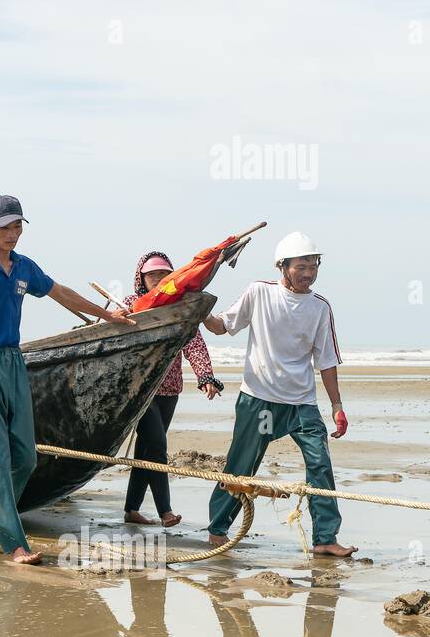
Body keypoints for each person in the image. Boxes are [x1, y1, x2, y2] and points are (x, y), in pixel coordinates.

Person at [0, 195, 135, 564]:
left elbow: (61, 293)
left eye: (18, 225)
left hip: (11, 360)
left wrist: (107, 315)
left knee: (24, 457)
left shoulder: (24, 268)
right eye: (5, 227)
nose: (13, 233)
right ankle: (16, 545)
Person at [202, 231, 355, 557]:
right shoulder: (258, 293)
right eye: (302, 266)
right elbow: (221, 326)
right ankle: (217, 529)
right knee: (242, 466)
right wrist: (198, 308)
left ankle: (325, 538)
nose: (309, 273)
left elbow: (326, 361)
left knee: (320, 466)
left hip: (301, 404)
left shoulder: (319, 308)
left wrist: (337, 406)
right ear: (282, 266)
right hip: (259, 399)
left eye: (314, 266)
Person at [120, 251, 223, 527]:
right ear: (142, 278)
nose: (158, 279)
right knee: (158, 444)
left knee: (147, 448)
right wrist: (114, 316)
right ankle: (165, 510)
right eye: (152, 275)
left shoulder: (180, 308)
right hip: (141, 389)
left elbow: (194, 344)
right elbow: (109, 331)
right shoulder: (132, 305)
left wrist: (206, 377)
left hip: (170, 388)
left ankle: (131, 510)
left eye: (163, 274)